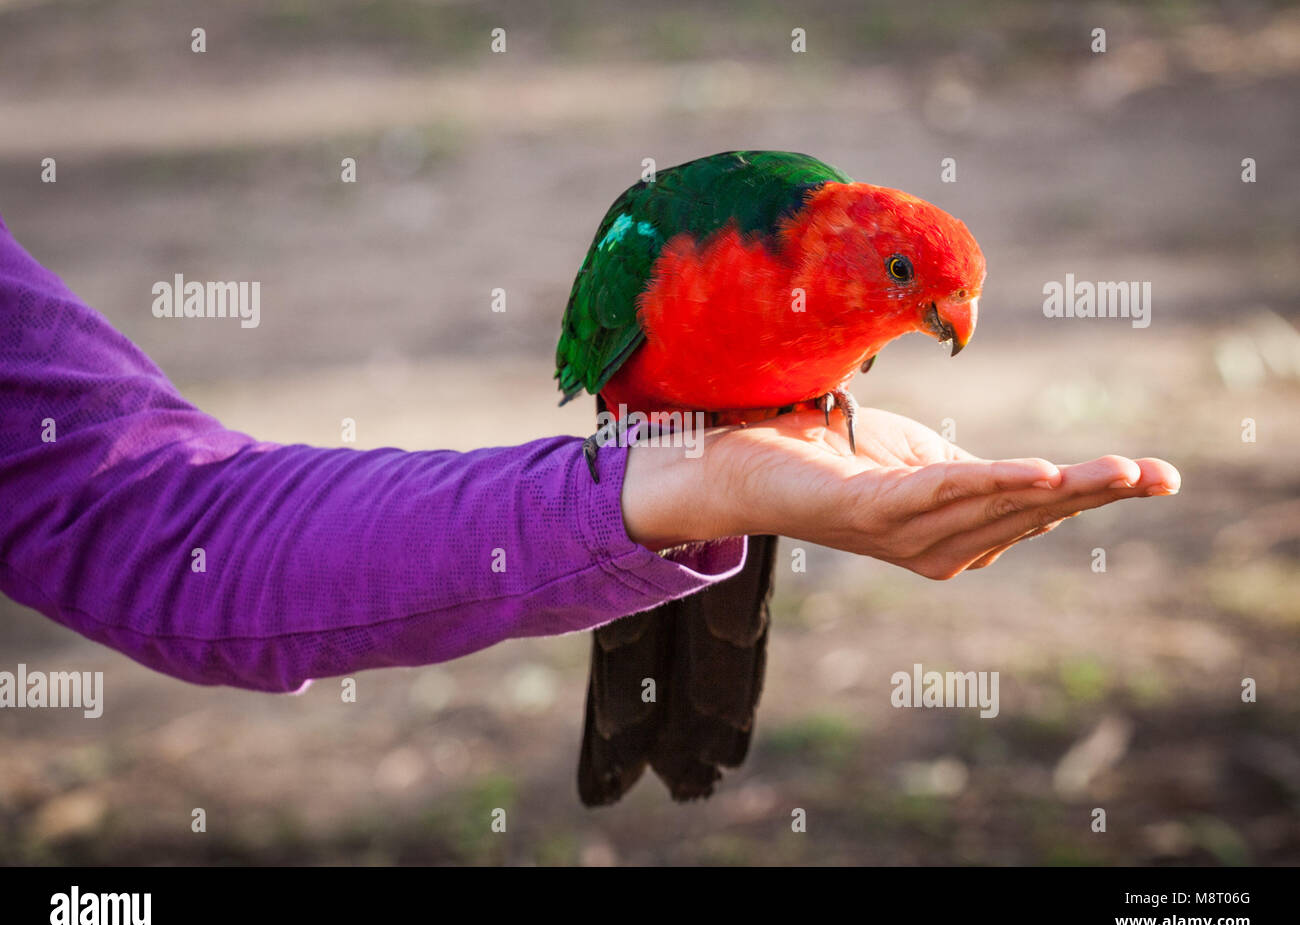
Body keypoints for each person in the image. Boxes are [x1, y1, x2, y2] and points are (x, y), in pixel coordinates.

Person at [0, 214, 1179, 693]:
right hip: (645, 407)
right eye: (919, 288)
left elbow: (145, 513)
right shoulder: (665, 246)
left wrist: (653, 495)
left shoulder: (850, 310)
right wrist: (647, 453)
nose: (942, 322)